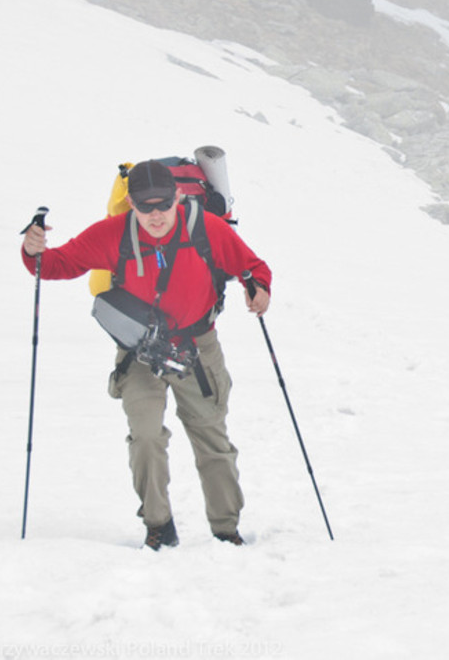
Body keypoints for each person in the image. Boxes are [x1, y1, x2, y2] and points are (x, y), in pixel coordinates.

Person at [20, 160, 271, 550]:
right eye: (144, 207)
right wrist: (32, 250)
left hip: (197, 347)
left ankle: (226, 529)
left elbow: (251, 266)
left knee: (212, 439)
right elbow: (55, 266)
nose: (155, 215)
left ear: (178, 197)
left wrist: (259, 289)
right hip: (138, 350)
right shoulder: (114, 234)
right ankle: (158, 524)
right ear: (132, 205)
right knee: (146, 438)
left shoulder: (206, 227)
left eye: (163, 205)